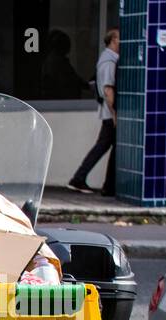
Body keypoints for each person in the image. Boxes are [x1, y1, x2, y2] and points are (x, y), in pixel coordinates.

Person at [69, 29, 120, 197]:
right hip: (109, 114)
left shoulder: (109, 59)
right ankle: (80, 178)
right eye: (121, 39)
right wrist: (115, 115)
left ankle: (107, 185)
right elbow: (108, 91)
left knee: (110, 147)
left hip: (109, 114)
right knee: (103, 146)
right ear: (113, 40)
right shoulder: (108, 62)